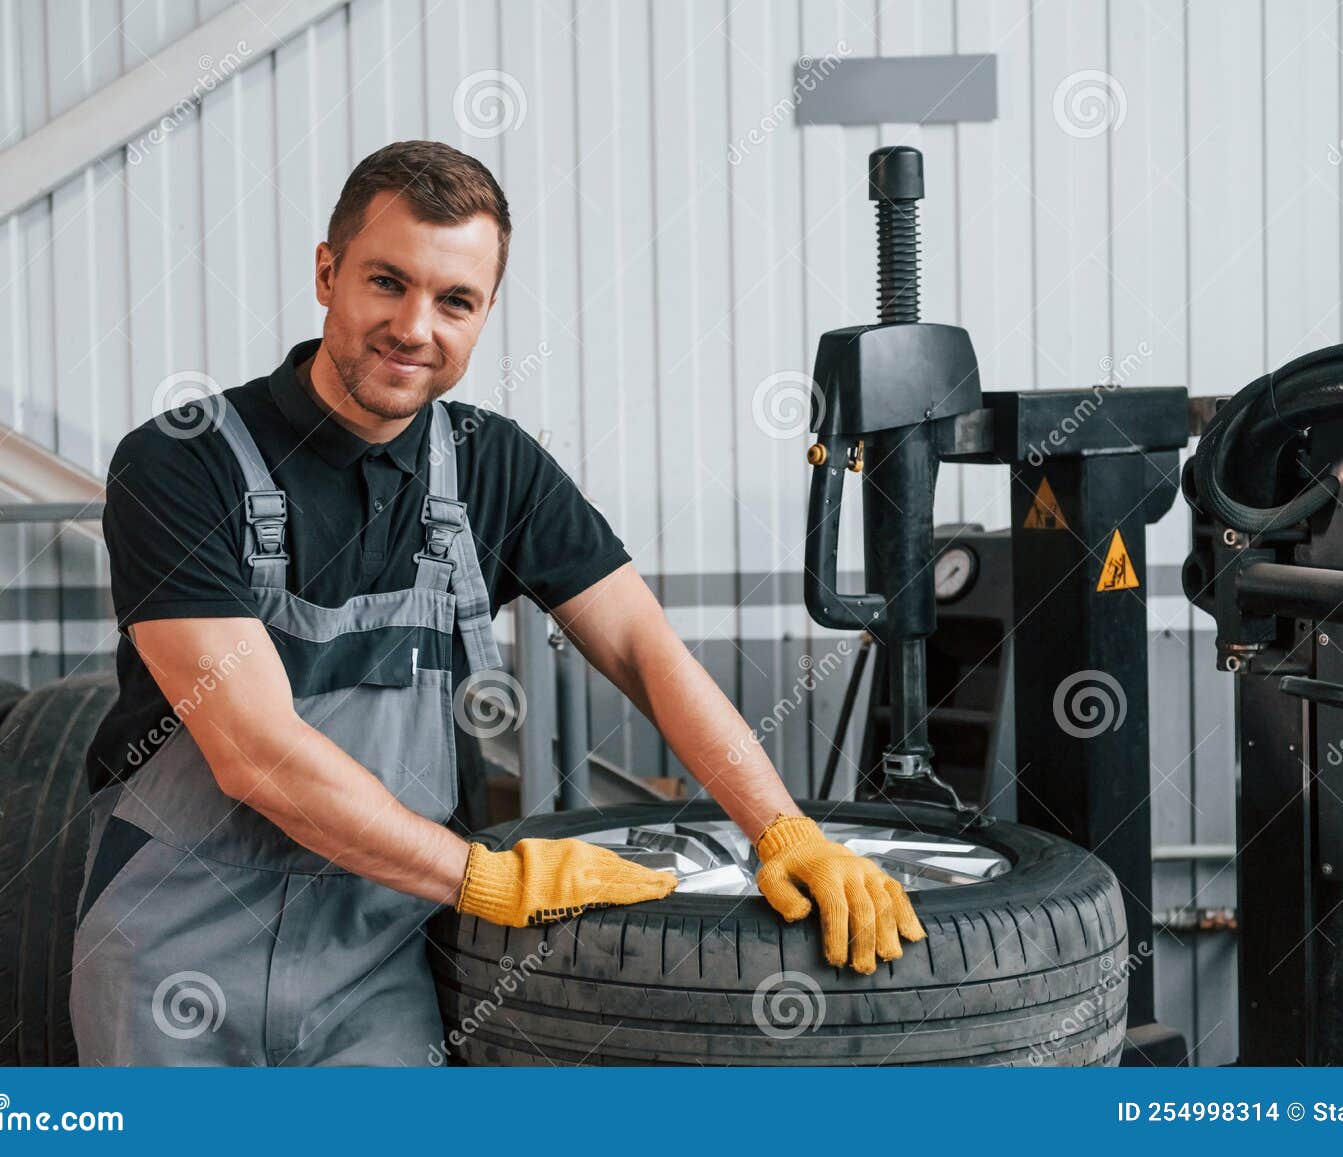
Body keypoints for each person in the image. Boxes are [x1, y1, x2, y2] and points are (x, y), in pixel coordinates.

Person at [70, 139, 925, 1066]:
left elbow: (643, 648)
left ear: (483, 314)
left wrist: (782, 824)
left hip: (376, 959)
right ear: (327, 273)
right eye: (387, 282)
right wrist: (485, 878)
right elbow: (253, 752)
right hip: (177, 959)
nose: (413, 327)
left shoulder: (492, 464)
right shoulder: (180, 462)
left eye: (455, 301)